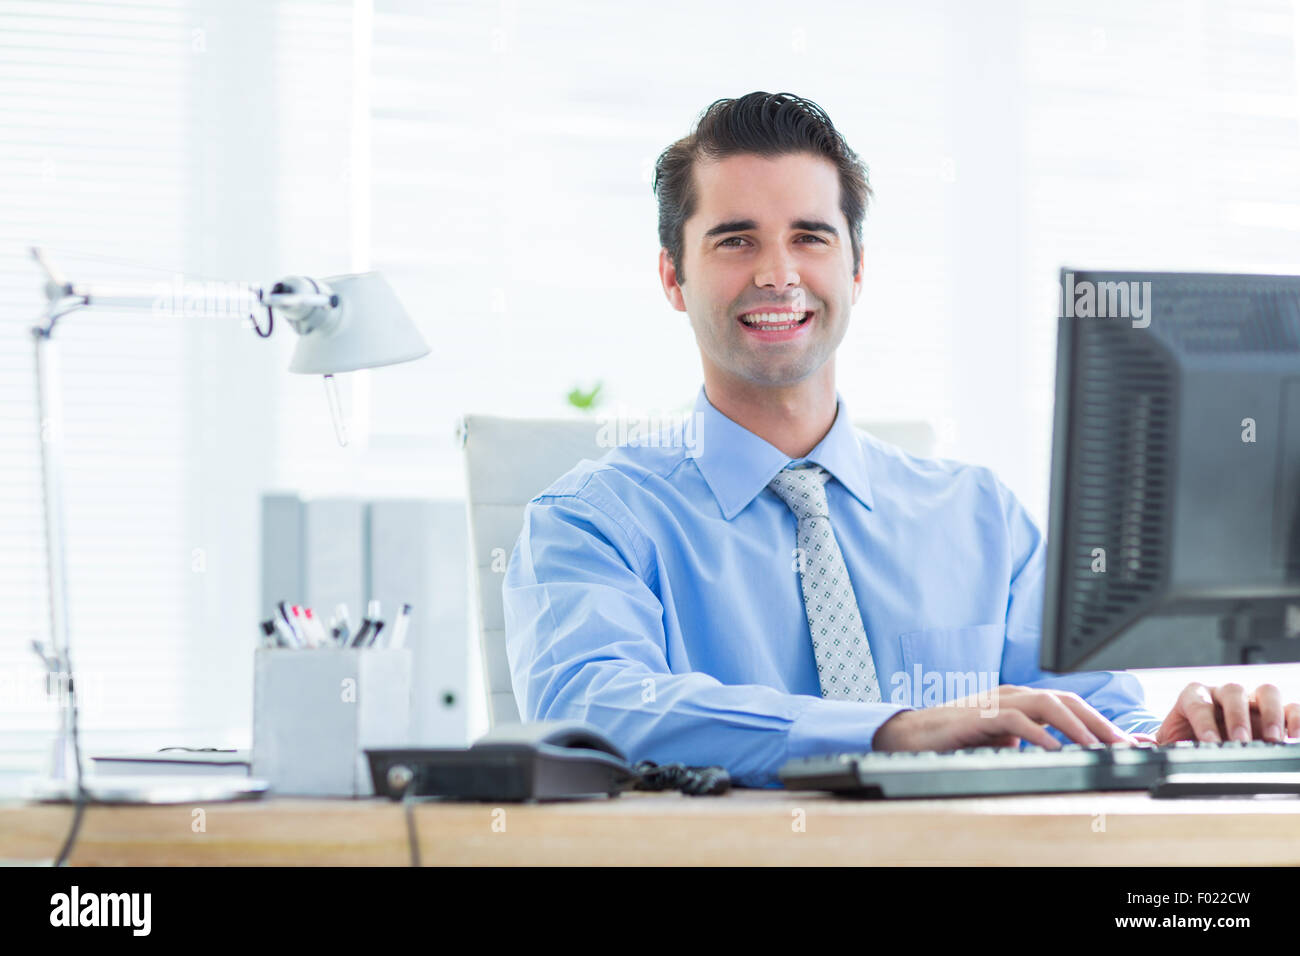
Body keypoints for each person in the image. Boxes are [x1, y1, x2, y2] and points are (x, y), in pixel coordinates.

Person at [501, 91, 1300, 787]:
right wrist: (889, 732)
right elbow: (596, 707)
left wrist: (1174, 735)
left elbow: (1090, 718)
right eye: (735, 239)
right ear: (673, 277)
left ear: (855, 271)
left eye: (811, 236)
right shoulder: (590, 522)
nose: (778, 274)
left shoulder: (981, 517)